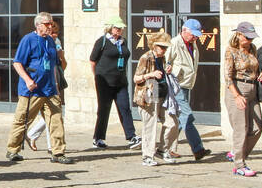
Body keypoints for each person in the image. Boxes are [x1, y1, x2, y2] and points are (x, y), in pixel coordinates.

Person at [5, 12, 73, 164]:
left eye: (52, 23)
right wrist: (28, 80)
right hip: (32, 89)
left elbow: (57, 64)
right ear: (38, 25)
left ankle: (58, 152)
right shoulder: (28, 40)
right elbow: (17, 63)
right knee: (23, 120)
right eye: (48, 24)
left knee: (56, 119)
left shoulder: (51, 40)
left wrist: (61, 56)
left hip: (50, 88)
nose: (51, 26)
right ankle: (12, 149)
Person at [89, 18, 140, 149]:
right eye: (117, 28)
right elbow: (92, 60)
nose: (120, 30)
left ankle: (131, 136)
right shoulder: (102, 41)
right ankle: (98, 138)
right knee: (104, 110)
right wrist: (97, 77)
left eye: (121, 28)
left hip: (120, 81)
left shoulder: (123, 42)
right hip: (104, 82)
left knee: (125, 108)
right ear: (110, 28)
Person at [166, 19, 211, 161]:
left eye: (196, 35)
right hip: (176, 85)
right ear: (184, 30)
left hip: (186, 84)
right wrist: (167, 68)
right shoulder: (175, 43)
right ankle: (198, 149)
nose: (195, 37)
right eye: (193, 35)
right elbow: (165, 60)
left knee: (179, 120)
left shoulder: (193, 43)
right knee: (187, 116)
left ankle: (166, 148)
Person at [223, 22, 262, 177]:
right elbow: (227, 77)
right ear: (239, 35)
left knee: (257, 126)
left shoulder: (252, 49)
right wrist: (237, 96)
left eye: (252, 38)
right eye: (247, 37)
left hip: (252, 89)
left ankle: (238, 155)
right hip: (237, 89)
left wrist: (261, 74)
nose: (250, 41)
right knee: (241, 128)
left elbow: (255, 67)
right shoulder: (230, 51)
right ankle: (239, 165)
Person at [133, 30, 178, 167]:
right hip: (149, 95)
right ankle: (147, 156)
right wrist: (151, 74)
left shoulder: (161, 58)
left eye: (165, 47)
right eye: (161, 47)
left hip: (163, 94)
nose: (164, 50)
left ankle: (162, 150)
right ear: (154, 45)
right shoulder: (146, 57)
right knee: (150, 127)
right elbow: (136, 78)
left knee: (172, 123)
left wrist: (166, 71)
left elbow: (162, 74)